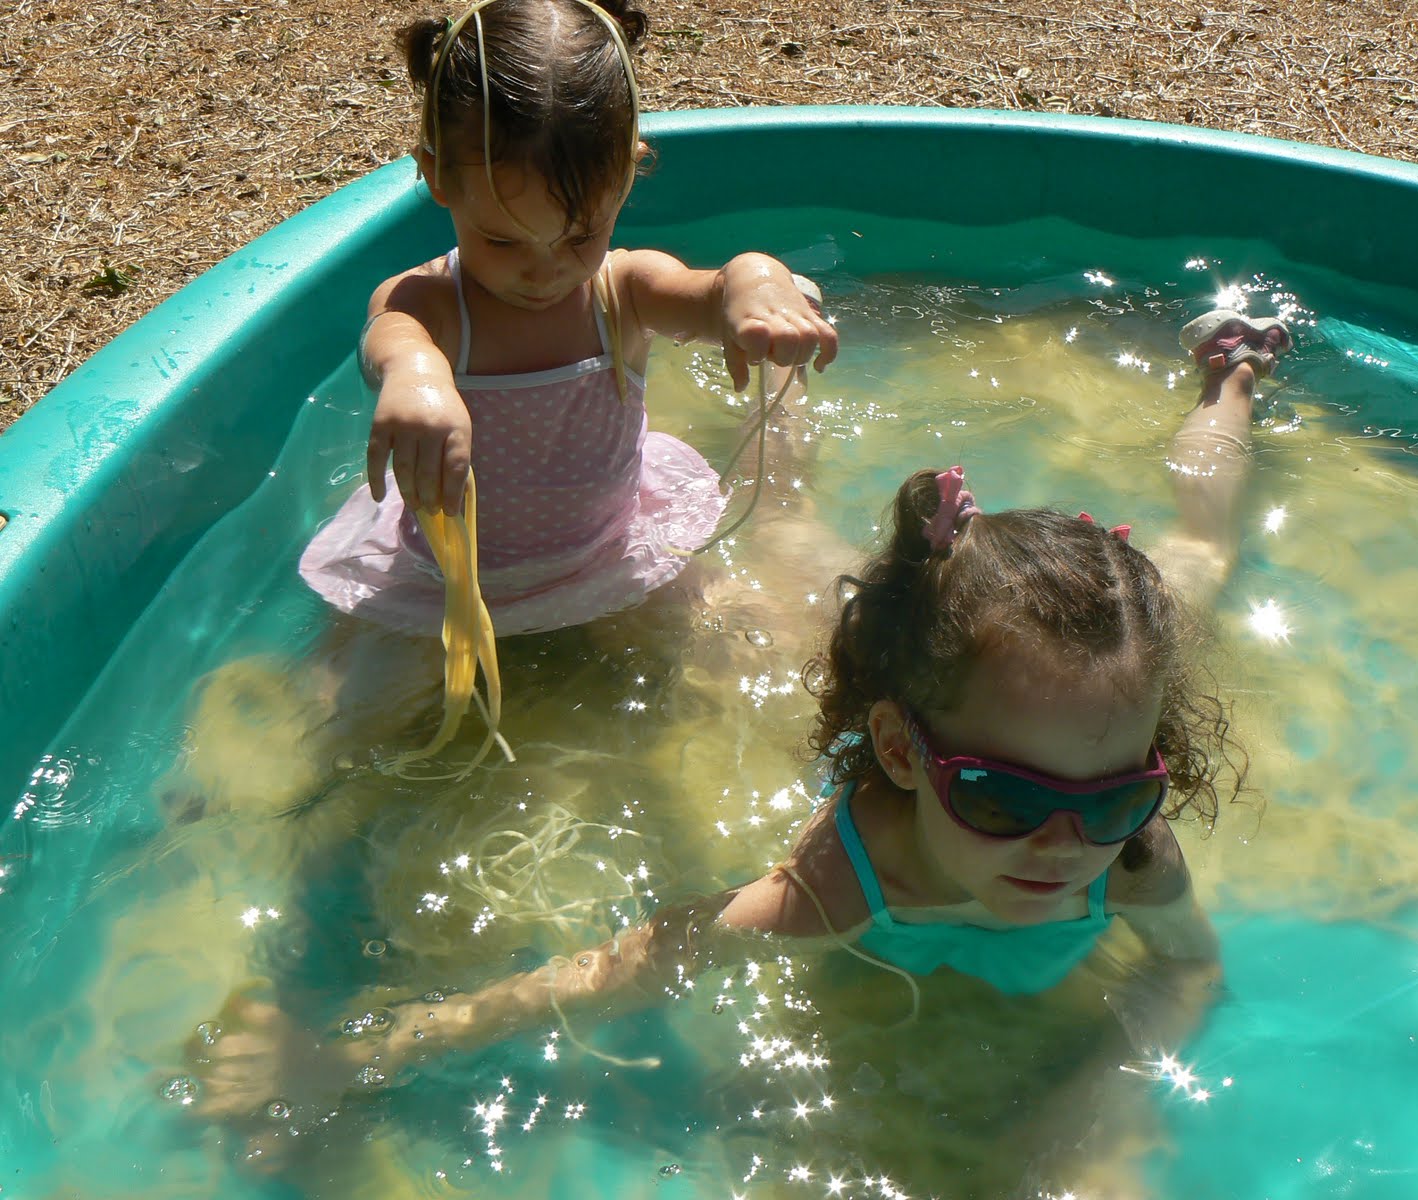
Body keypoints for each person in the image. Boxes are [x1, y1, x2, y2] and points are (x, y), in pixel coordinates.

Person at [189, 310, 1289, 1131]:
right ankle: (781, 357)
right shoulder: (837, 887)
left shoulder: (1129, 855)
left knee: (1196, 561)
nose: (1063, 846)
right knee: (784, 528)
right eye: (1001, 797)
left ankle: (1233, 371)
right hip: (909, 663)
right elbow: (625, 967)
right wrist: (362, 1052)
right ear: (902, 753)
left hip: (1073, 658)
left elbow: (1187, 972)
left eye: (1120, 796)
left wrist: (1098, 1120)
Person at [298, 0, 837, 637]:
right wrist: (416, 374)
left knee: (757, 638)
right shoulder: (431, 302)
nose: (544, 271)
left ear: (627, 176)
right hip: (445, 577)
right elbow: (390, 333)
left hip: (611, 551)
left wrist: (756, 278)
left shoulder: (623, 290)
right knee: (345, 689)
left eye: (580, 236)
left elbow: (710, 293)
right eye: (503, 240)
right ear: (437, 177)